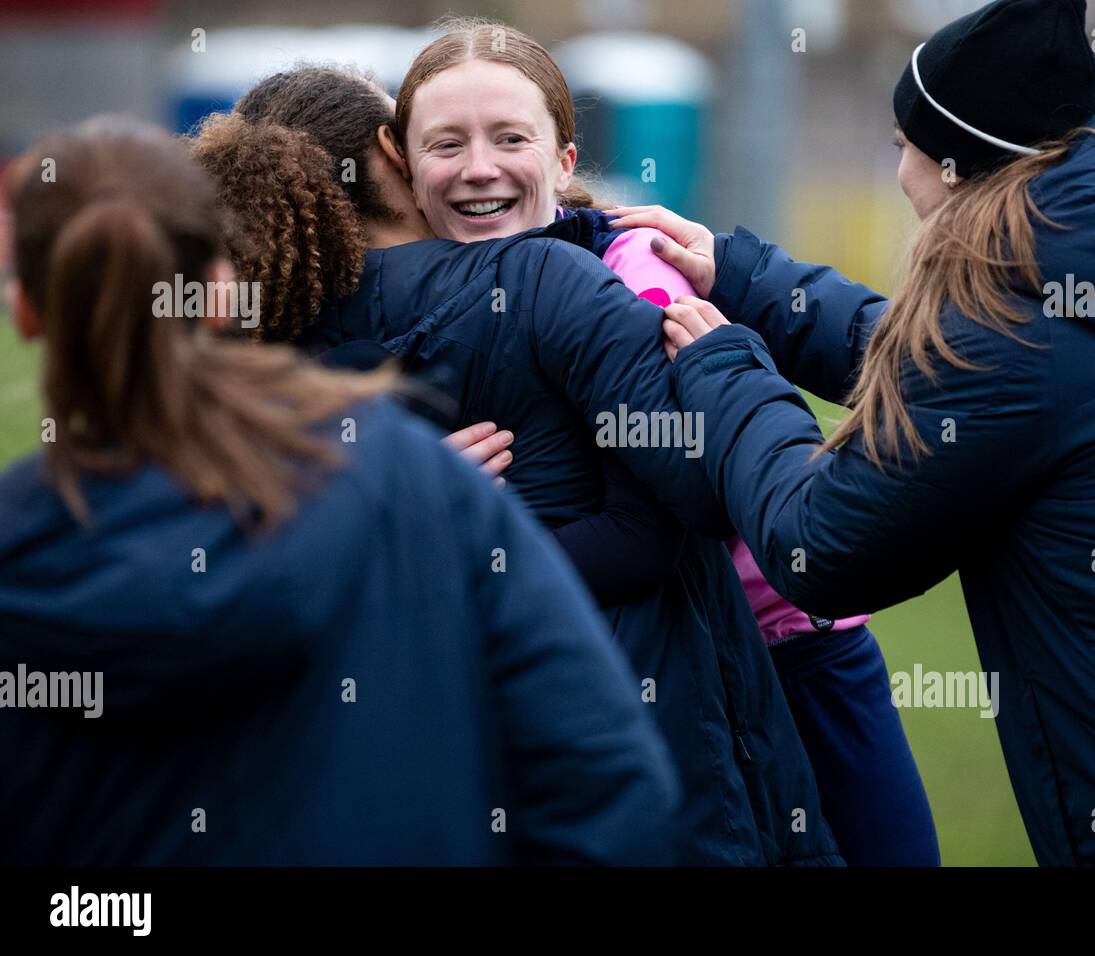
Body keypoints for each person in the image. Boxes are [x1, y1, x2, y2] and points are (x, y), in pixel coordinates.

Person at [631, 0, 1095, 865]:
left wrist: (726, 375)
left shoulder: (1014, 333)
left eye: (904, 142)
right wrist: (749, 279)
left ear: (952, 164)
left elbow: (821, 545)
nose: (896, 165)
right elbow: (966, 390)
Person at [192, 67, 842, 866]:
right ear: (393, 154)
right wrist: (727, 361)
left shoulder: (259, 358)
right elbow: (698, 500)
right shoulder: (546, 277)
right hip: (636, 726)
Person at [0, 115, 681, 865]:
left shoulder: (22, 542)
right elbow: (610, 785)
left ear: (24, 310)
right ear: (223, 293)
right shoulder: (412, 480)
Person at [388, 17, 939, 867]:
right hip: (617, 666)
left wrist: (462, 539)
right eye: (447, 143)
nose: (479, 167)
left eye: (510, 138)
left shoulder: (630, 272)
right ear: (403, 163)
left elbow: (661, 522)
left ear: (566, 160)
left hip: (789, 650)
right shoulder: (413, 304)